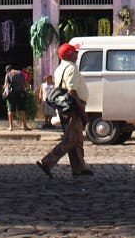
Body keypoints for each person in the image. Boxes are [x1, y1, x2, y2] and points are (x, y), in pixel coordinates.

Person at [36, 43, 93, 178]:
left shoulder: (60, 68)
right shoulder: (71, 68)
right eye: (75, 52)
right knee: (71, 139)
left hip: (65, 107)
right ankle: (48, 162)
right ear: (69, 55)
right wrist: (81, 109)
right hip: (73, 107)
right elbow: (72, 91)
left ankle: (79, 168)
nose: (77, 54)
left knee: (77, 139)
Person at [3, 64, 31, 131]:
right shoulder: (21, 73)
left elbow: (5, 85)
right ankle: (25, 126)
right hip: (21, 93)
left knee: (10, 110)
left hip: (12, 94)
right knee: (22, 109)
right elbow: (26, 83)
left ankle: (11, 127)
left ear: (7, 70)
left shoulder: (8, 74)